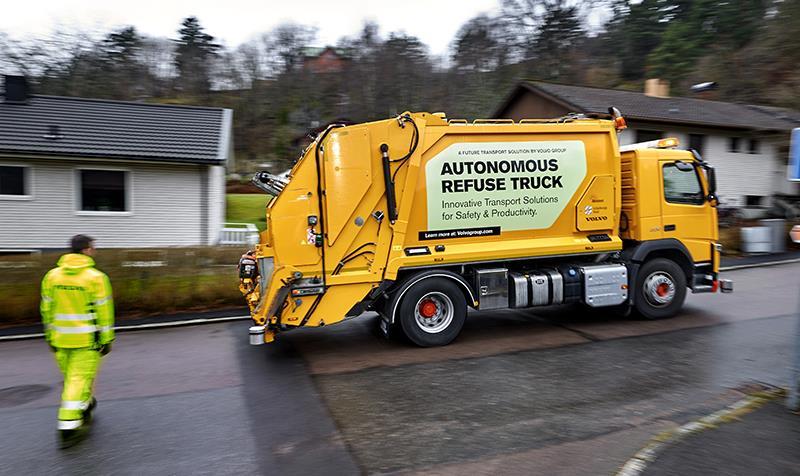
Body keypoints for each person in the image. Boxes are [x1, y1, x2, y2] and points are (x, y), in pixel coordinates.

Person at [40, 234, 114, 446]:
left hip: (60, 340)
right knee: (78, 380)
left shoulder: (52, 276)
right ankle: (68, 425)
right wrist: (107, 339)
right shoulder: (96, 277)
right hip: (86, 341)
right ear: (87, 250)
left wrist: (49, 336)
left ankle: (85, 405)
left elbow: (46, 309)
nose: (95, 251)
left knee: (73, 379)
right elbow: (104, 313)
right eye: (93, 248)